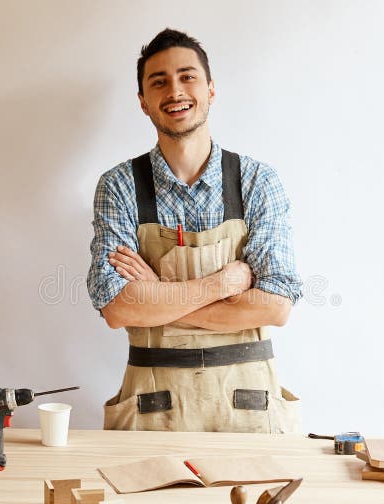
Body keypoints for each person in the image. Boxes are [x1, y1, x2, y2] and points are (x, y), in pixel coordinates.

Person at [87, 28, 303, 433]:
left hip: (250, 409)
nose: (175, 90)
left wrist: (158, 296)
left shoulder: (257, 181)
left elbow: (276, 306)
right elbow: (117, 308)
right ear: (143, 102)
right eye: (159, 81)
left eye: (187, 76)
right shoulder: (119, 186)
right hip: (151, 410)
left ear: (210, 89)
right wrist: (225, 283)